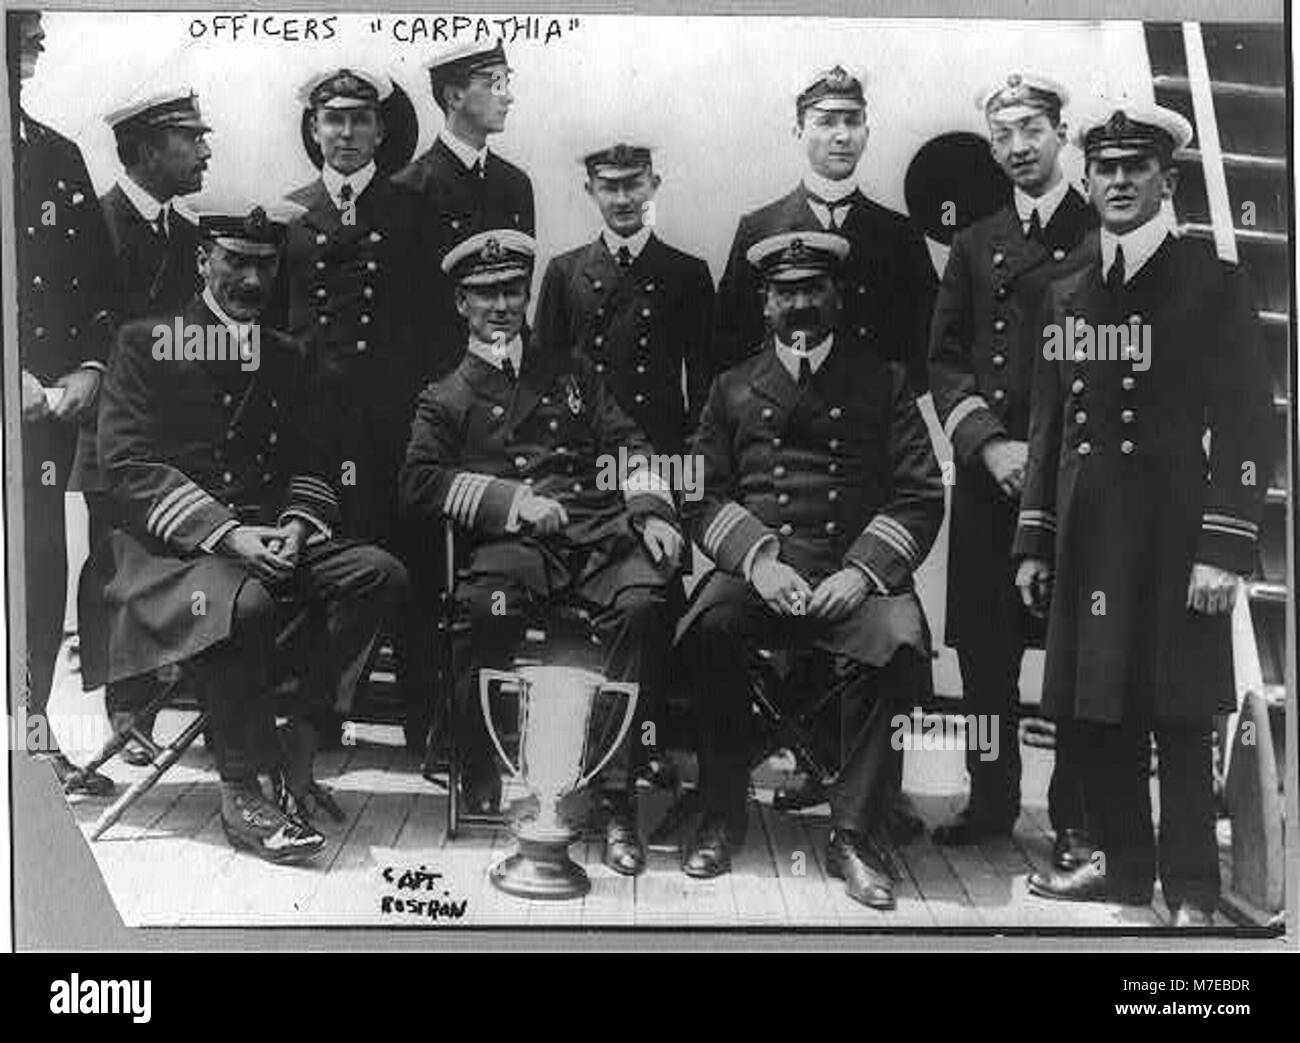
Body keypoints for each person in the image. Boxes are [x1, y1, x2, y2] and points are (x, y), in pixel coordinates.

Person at [78, 200, 408, 862]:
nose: (253, 280)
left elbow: (313, 457)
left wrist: (294, 525)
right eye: (236, 262)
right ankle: (242, 790)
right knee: (244, 603)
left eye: (265, 264)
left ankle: (302, 741)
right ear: (203, 261)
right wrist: (228, 534)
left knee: (380, 574)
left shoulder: (286, 354)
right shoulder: (144, 342)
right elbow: (128, 467)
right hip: (161, 556)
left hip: (263, 541)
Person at [1012, 102, 1272, 926]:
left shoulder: (1212, 281)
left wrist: (1225, 548)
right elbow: (1048, 428)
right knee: (1099, 705)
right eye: (1106, 168)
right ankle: (1126, 872)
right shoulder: (1066, 292)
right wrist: (1035, 539)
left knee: (1181, 711)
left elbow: (1246, 421)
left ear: (1168, 181)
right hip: (1088, 532)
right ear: (1085, 180)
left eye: (1136, 168)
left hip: (1175, 529)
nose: (1119, 182)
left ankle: (1192, 887)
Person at [399, 230, 683, 877]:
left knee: (643, 605)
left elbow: (629, 443)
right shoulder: (445, 395)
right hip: (513, 551)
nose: (501, 304)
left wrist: (652, 509)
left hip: (595, 537)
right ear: (461, 304)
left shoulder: (572, 372)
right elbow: (418, 484)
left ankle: (615, 797)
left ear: (528, 294)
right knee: (479, 608)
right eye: (485, 294)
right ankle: (477, 762)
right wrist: (509, 501)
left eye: (511, 290)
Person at [677, 232, 943, 909]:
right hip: (764, 573)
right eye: (785, 292)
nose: (800, 304)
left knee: (895, 641)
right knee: (706, 628)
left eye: (813, 290)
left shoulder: (883, 381)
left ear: (837, 297)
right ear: (764, 304)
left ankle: (854, 831)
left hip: (851, 577)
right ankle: (719, 808)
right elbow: (701, 492)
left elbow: (918, 494)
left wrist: (862, 572)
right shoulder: (731, 387)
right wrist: (759, 562)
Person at [927, 73, 1093, 867]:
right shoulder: (975, 241)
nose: (1018, 147)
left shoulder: (1102, 232)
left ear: (1062, 132)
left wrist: (1045, 454)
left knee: (1071, 648)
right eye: (1003, 135)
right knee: (986, 652)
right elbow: (945, 359)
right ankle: (992, 797)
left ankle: (1076, 816)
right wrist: (990, 444)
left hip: (1075, 481)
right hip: (993, 479)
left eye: (1032, 129)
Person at [283, 67, 426, 747]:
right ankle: (319, 718)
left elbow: (437, 328)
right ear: (314, 129)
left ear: (380, 129)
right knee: (323, 560)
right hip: (312, 431)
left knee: (397, 563)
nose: (345, 134)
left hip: (390, 428)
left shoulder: (411, 212)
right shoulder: (288, 214)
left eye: (359, 119)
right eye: (332, 120)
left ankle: (419, 720)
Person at [88, 88, 212, 767]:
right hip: (111, 441)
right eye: (189, 139)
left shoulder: (193, 237)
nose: (204, 150)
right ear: (144, 150)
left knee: (166, 571)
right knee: (117, 573)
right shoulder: (96, 229)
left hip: (177, 443)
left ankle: (183, 701)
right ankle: (126, 715)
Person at [10, 10, 117, 795]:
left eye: (28, 41)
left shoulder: (55, 156)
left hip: (44, 414)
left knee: (42, 570)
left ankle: (29, 734)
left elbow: (96, 288)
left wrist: (86, 368)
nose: (24, 54)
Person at [713, 64, 936, 391]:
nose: (843, 135)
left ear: (867, 133)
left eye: (853, 121)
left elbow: (928, 343)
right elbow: (729, 345)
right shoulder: (759, 230)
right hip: (786, 422)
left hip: (876, 421)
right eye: (827, 122)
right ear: (798, 131)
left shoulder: (899, 234)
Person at [534, 142, 715, 457]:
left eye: (633, 184)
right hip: (586, 453)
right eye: (609, 187)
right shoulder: (564, 273)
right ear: (590, 190)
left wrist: (696, 465)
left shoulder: (688, 273)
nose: (622, 199)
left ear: (654, 184)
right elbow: (542, 373)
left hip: (664, 451)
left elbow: (705, 384)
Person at [392, 42, 535, 382]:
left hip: (509, 379)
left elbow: (518, 298)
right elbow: (402, 313)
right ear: (454, 97)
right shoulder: (409, 188)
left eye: (507, 84)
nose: (508, 97)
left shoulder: (516, 184)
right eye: (494, 84)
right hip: (439, 386)